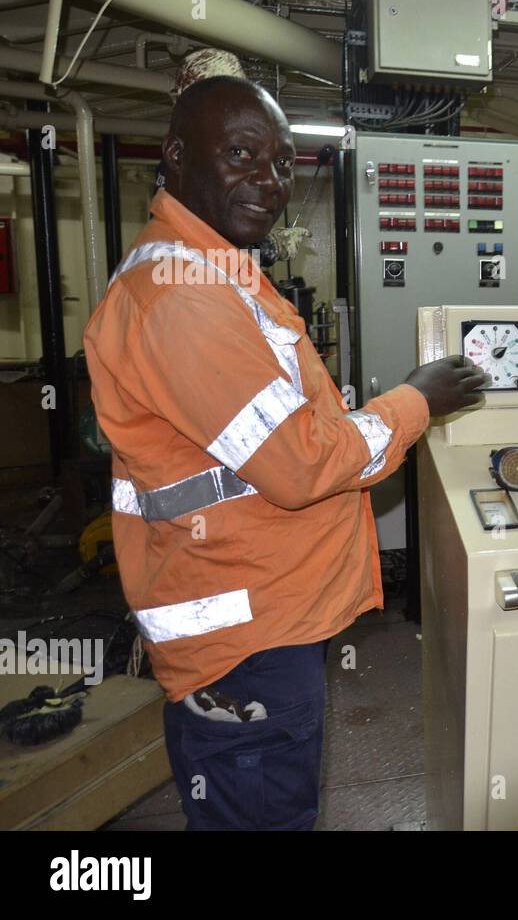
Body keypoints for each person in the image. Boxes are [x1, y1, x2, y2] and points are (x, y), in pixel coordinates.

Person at [84, 76, 488, 830]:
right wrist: (415, 401)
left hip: (257, 615)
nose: (268, 184)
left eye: (281, 164)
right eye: (241, 154)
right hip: (243, 638)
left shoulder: (216, 274)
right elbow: (300, 464)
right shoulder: (182, 297)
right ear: (174, 157)